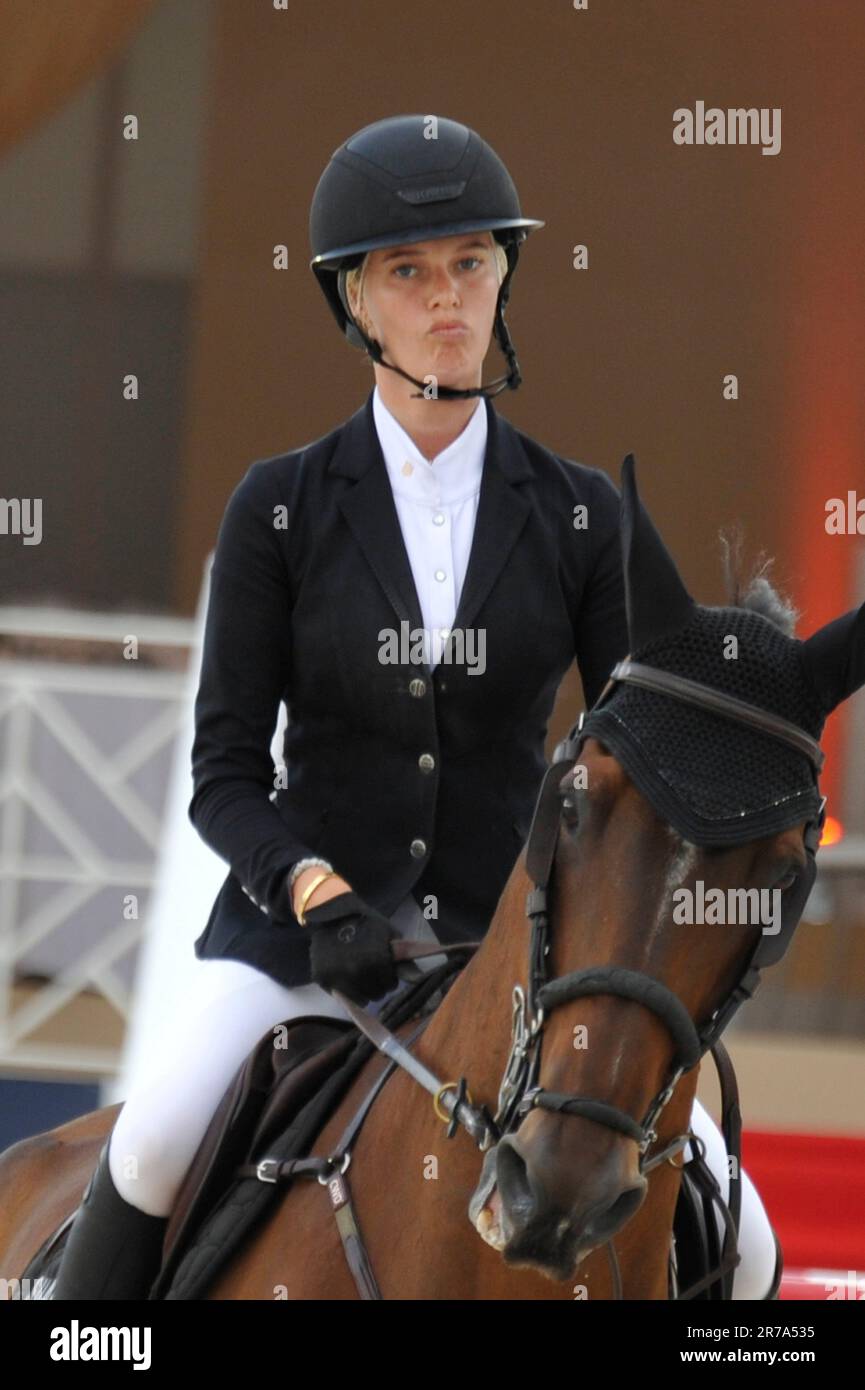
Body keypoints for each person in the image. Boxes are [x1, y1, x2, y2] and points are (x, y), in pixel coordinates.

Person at [50, 114, 777, 1300]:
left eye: (473, 264)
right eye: (410, 271)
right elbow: (224, 772)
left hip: (515, 952)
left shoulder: (579, 515)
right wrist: (308, 883)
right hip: (304, 946)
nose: (449, 298)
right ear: (355, 302)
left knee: (741, 1243)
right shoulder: (278, 505)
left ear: (504, 280)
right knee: (152, 1140)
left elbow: (639, 755)